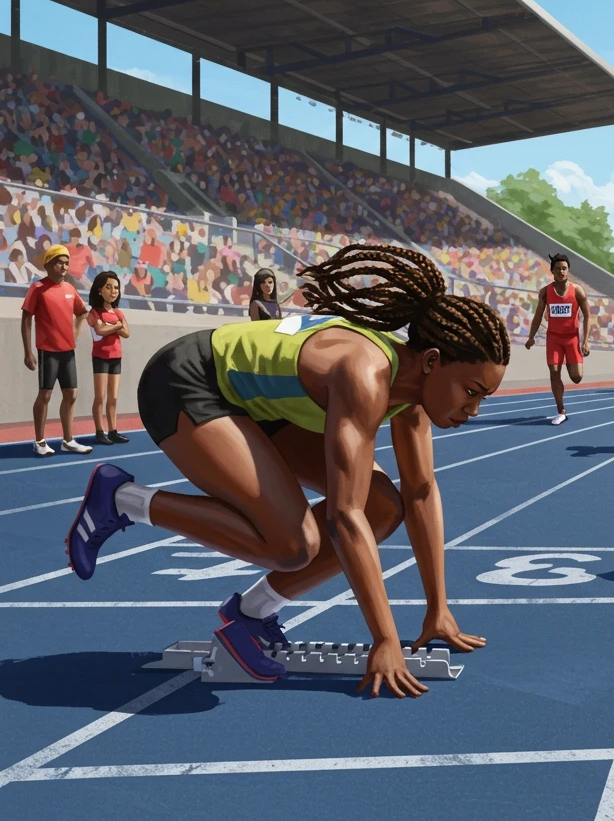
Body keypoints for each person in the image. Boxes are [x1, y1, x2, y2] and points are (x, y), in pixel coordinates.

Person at [66, 244, 508, 696]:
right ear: (432, 361)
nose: (473, 409)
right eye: (471, 391)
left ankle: (251, 615)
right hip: (189, 382)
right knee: (294, 545)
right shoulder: (365, 374)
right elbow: (342, 516)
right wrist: (385, 639)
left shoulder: (414, 396)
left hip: (261, 406)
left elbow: (420, 492)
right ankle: (122, 500)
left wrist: (438, 610)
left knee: (383, 506)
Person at [21, 244, 93, 457]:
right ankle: (40, 440)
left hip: (67, 352)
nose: (64, 266)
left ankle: (68, 440)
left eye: (66, 262)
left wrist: (74, 334)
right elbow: (26, 319)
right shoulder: (37, 288)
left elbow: (82, 313)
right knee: (45, 394)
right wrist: (28, 352)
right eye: (59, 262)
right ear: (49, 264)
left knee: (71, 394)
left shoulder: (70, 289)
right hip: (47, 351)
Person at [526, 253, 591, 425]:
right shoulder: (545, 292)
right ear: (552, 271)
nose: (561, 271)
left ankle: (572, 371)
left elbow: (587, 315)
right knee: (554, 372)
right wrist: (531, 337)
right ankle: (561, 410)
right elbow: (538, 316)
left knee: (576, 377)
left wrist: (585, 341)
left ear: (568, 270)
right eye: (558, 269)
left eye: (564, 268)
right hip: (553, 339)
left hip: (572, 339)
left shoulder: (577, 291)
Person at [87, 271, 130, 445]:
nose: (113, 291)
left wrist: (113, 325)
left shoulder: (118, 313)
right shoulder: (94, 312)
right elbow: (100, 330)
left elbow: (126, 333)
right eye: (109, 287)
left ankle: (113, 430)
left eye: (116, 288)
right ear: (99, 290)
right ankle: (99, 430)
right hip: (100, 358)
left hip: (116, 358)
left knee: (113, 398)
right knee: (100, 397)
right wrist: (116, 326)